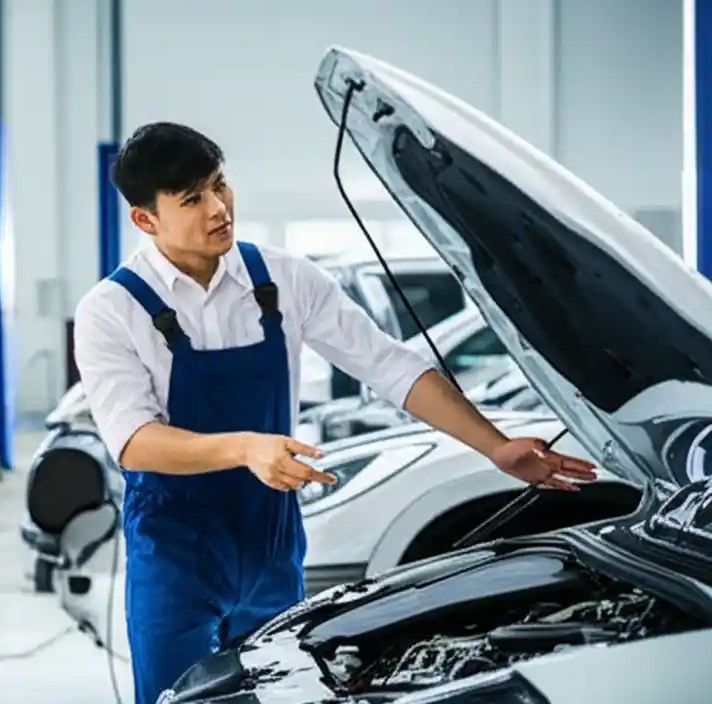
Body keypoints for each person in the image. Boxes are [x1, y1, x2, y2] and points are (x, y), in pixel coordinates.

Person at [72, 122, 597, 704]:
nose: (219, 207)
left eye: (220, 185)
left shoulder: (283, 279)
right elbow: (134, 441)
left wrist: (493, 446)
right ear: (146, 220)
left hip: (270, 544)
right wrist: (247, 447)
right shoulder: (112, 311)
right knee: (178, 698)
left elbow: (390, 365)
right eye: (193, 199)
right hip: (175, 551)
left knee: (282, 696)